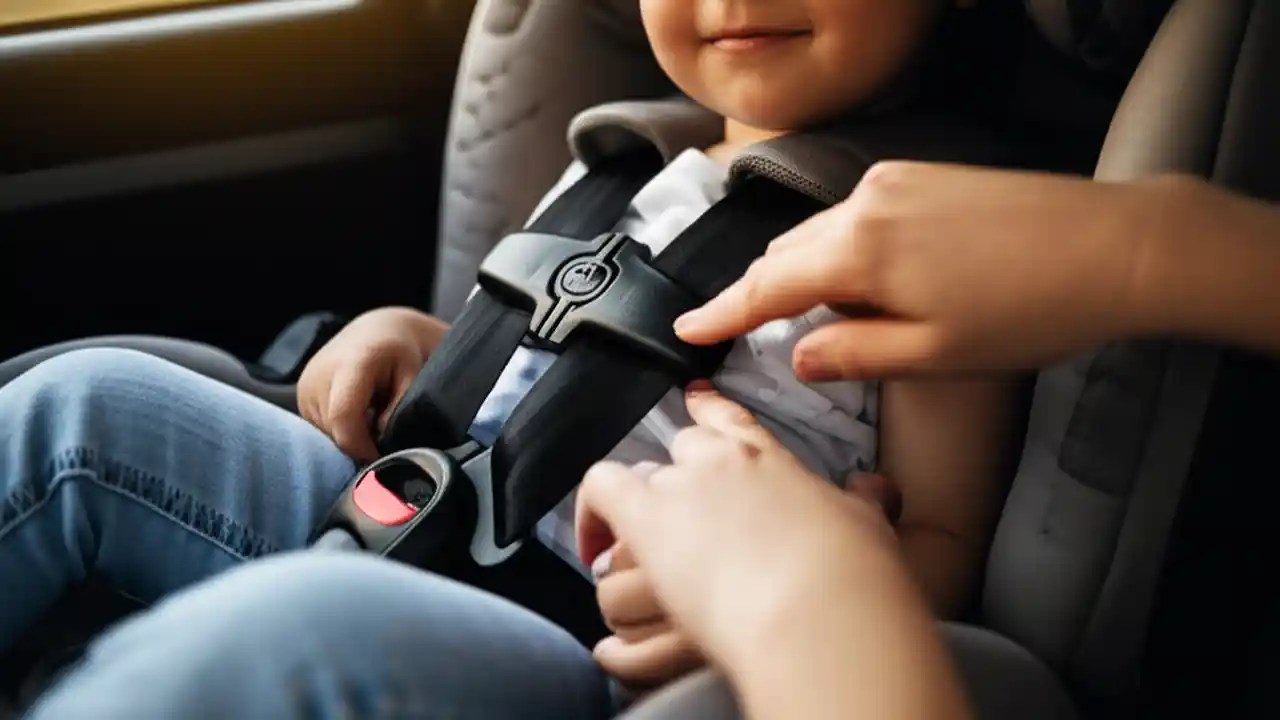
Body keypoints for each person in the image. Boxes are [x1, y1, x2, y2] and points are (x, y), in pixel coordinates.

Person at [2, 0, 1015, 716]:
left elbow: (940, 543)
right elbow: (549, 376)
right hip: (415, 506)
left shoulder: (932, 233)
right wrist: (427, 344)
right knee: (87, 408)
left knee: (301, 629)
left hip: (598, 641)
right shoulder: (622, 163)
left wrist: (784, 597)